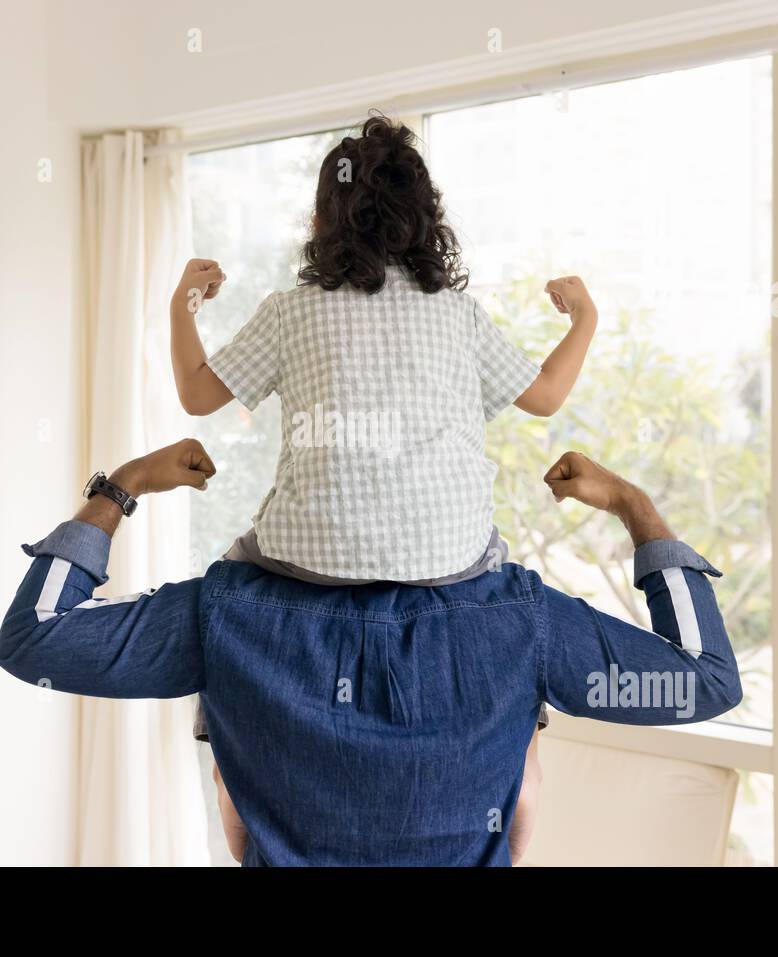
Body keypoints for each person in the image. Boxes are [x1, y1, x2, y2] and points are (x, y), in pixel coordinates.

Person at [0, 438, 743, 866]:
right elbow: (703, 678)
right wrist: (633, 506)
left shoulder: (224, 612)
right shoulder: (519, 620)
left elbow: (35, 635)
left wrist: (121, 487)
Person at [167, 116, 599, 855]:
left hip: (309, 564)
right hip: (452, 563)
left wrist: (183, 305)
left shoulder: (291, 311)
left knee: (229, 596)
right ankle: (514, 749)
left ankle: (239, 758)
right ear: (426, 220)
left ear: (322, 222)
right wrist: (585, 315)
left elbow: (199, 396)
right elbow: (548, 396)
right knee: (504, 604)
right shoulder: (458, 315)